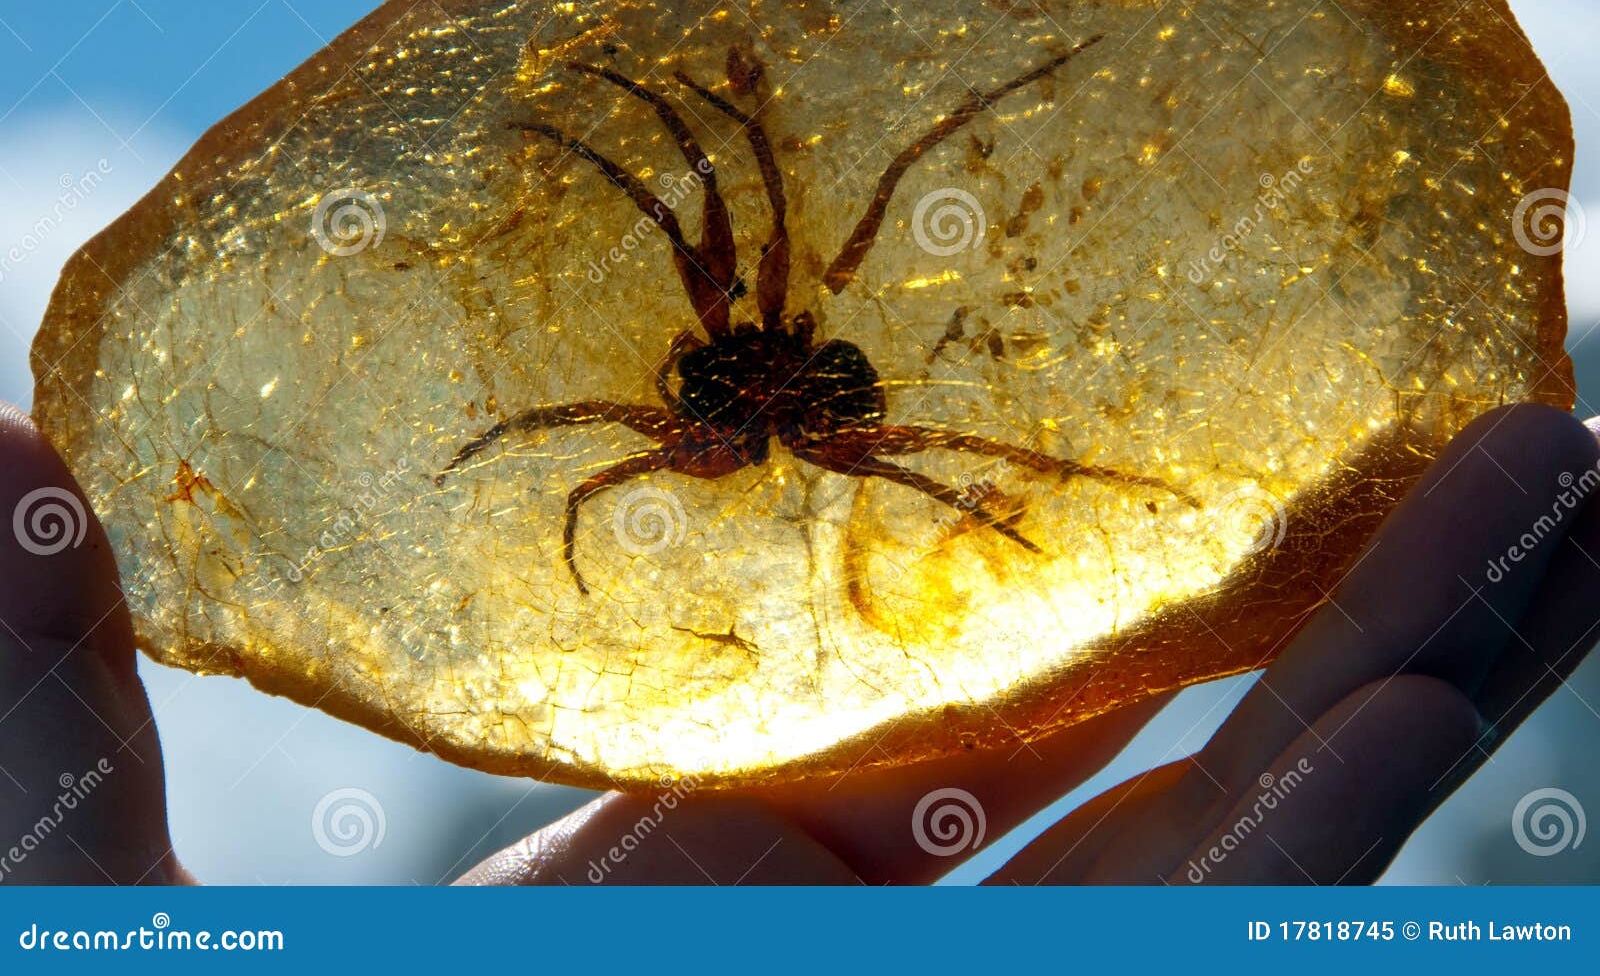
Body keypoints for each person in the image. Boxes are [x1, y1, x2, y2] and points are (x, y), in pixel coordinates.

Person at [2, 399, 1596, 884]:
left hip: (770, 428)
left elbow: (903, 440)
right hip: (740, 427)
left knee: (915, 436)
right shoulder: (702, 413)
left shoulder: (828, 421)